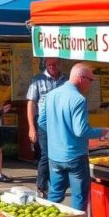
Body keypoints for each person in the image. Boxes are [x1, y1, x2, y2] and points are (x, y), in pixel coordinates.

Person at [38, 62, 109, 217]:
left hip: (55, 155)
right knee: (79, 201)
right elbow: (81, 130)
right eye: (90, 80)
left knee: (55, 197)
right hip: (75, 156)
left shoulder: (51, 95)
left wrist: (57, 135)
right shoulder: (78, 99)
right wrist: (105, 132)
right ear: (81, 78)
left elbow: (42, 122)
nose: (90, 84)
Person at [26, 57, 66, 196]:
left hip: (61, 123)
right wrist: (31, 127)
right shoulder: (37, 79)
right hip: (44, 123)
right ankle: (42, 186)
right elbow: (31, 103)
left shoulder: (65, 80)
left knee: (60, 154)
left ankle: (58, 183)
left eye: (54, 64)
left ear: (60, 64)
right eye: (49, 64)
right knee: (46, 154)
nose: (51, 66)